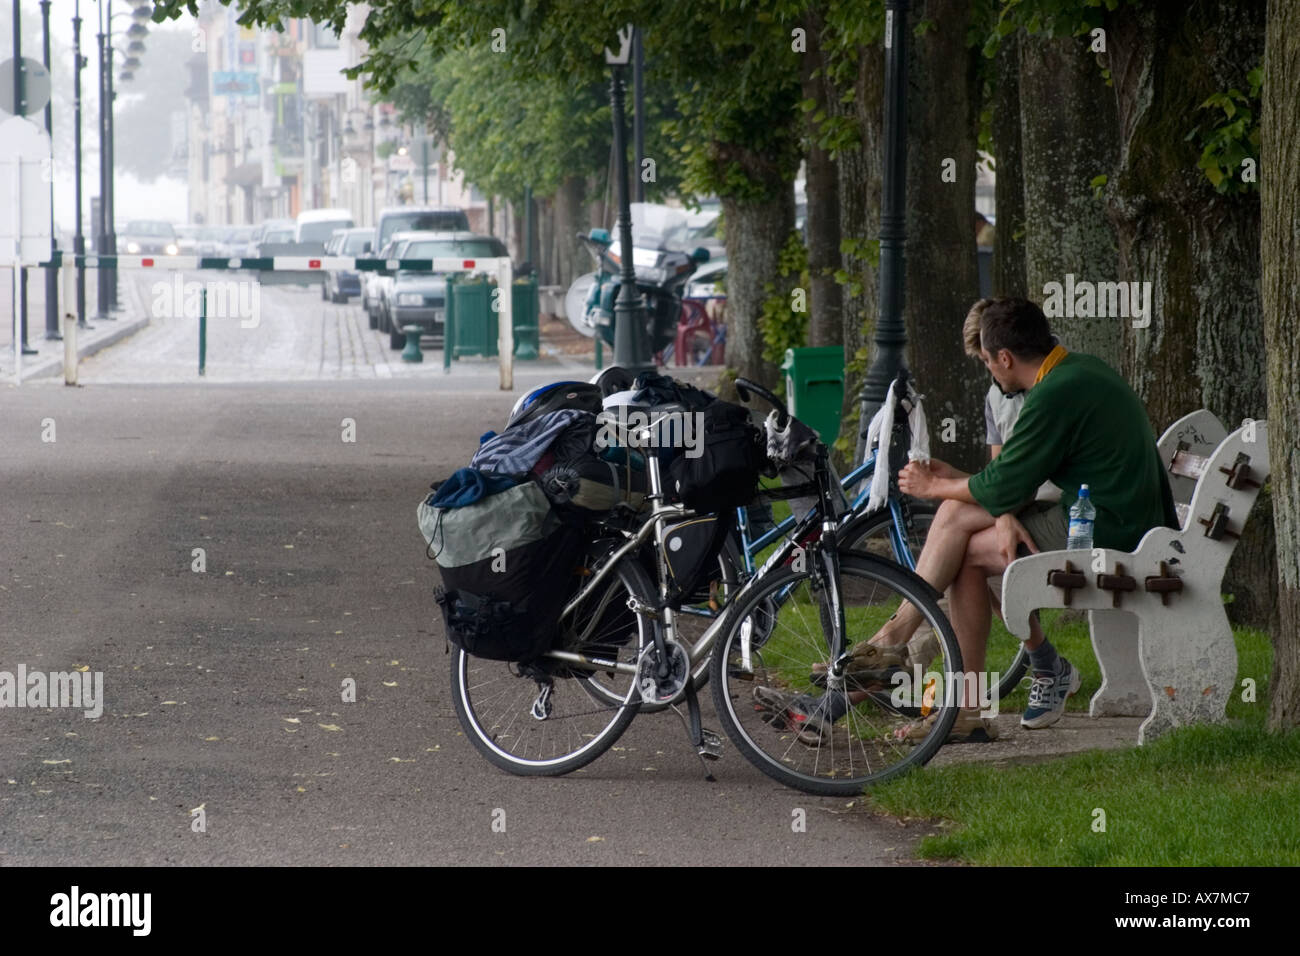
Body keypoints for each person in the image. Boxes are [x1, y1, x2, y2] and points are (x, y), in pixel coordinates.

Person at [757, 297, 1178, 745]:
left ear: (1004, 357)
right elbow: (1008, 483)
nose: (990, 374)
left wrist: (932, 486)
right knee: (957, 519)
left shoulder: (1055, 393)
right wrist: (958, 485)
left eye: (987, 363)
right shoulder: (1076, 372)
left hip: (1115, 531)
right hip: (1113, 516)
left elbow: (1003, 488)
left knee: (964, 556)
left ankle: (916, 668)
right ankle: (913, 666)